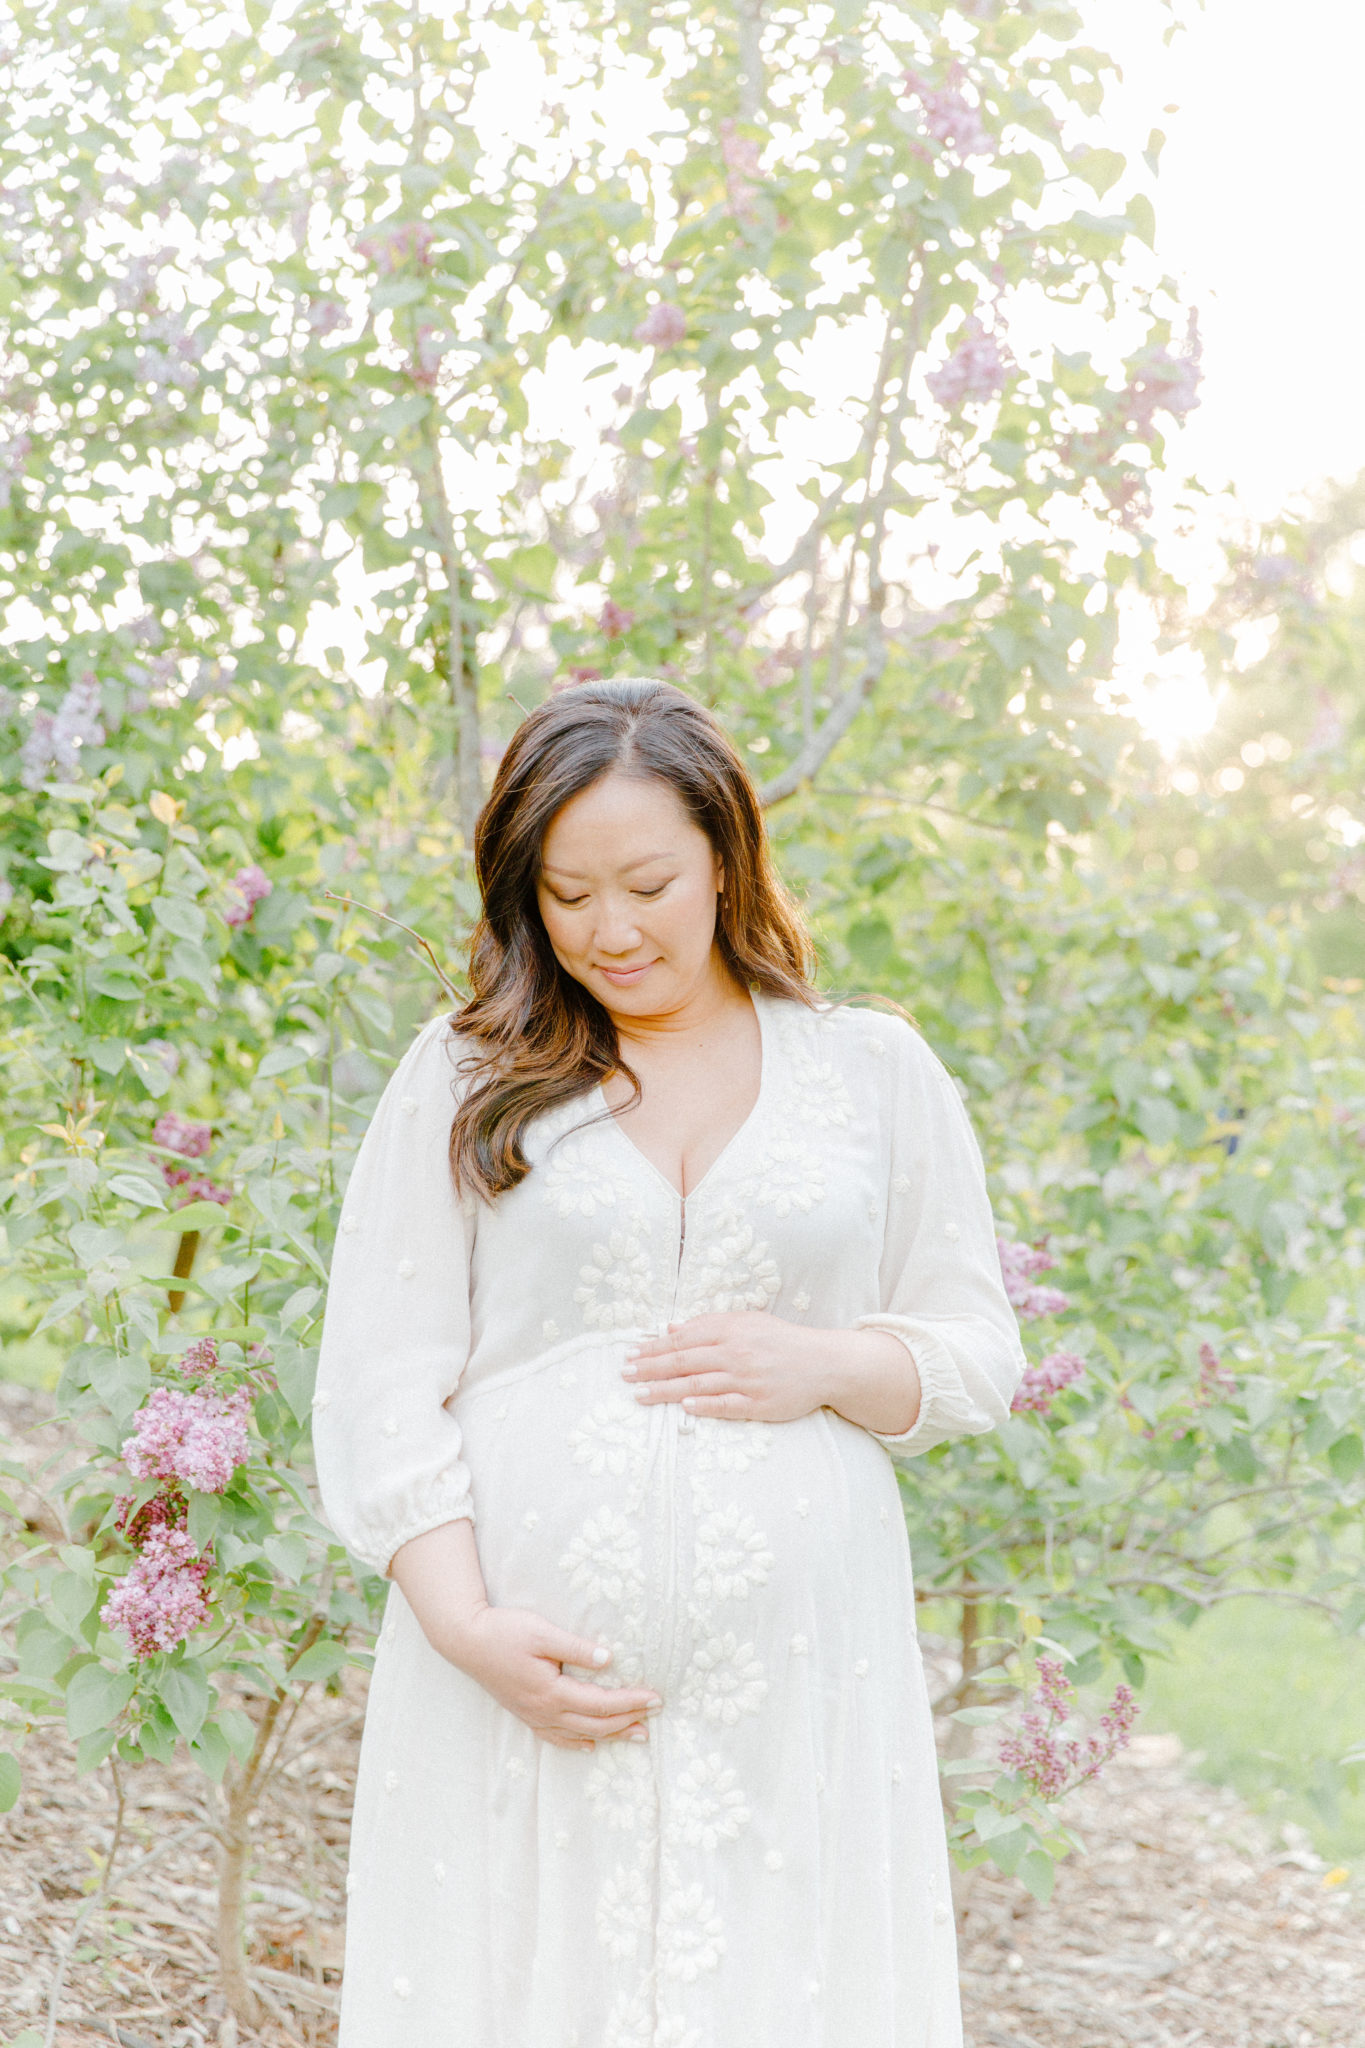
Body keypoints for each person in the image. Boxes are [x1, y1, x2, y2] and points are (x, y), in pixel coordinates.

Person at [312, 676, 1026, 2047]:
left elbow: (975, 1352)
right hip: (520, 1670)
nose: (611, 930)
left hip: (800, 1673)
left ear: (725, 858)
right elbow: (381, 1383)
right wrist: (467, 1630)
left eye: (647, 884)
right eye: (567, 893)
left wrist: (827, 1360)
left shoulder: (870, 1070)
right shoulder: (466, 1076)